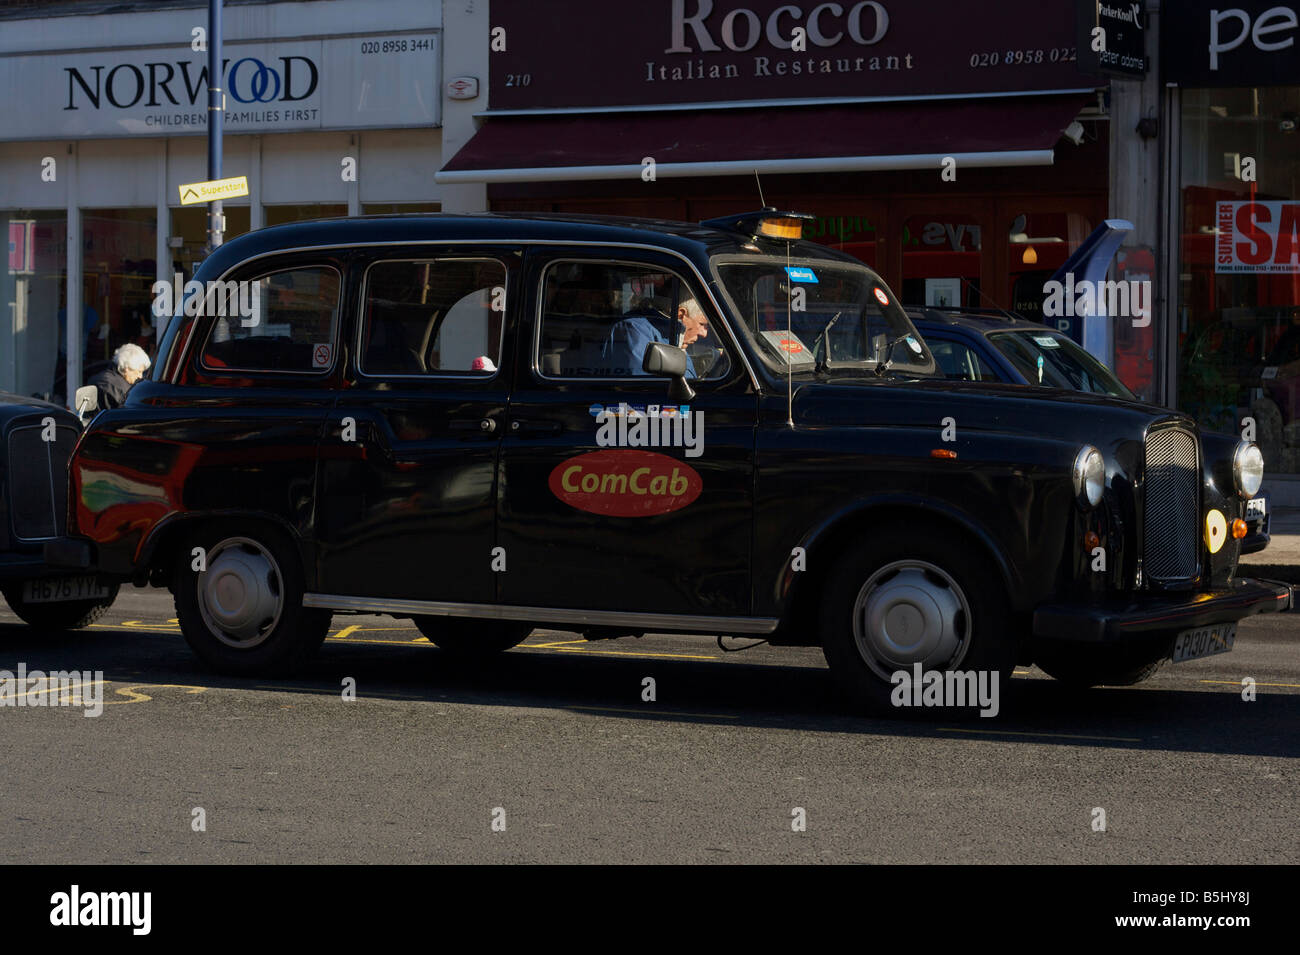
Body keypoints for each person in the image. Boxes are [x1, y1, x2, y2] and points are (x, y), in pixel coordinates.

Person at [601, 297, 709, 377]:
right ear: (681, 314)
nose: (704, 334)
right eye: (702, 324)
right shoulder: (634, 330)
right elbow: (644, 386)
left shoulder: (673, 340)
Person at [89, 343, 151, 410]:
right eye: (139, 371)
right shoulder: (117, 388)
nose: (140, 376)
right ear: (127, 369)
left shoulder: (108, 375)